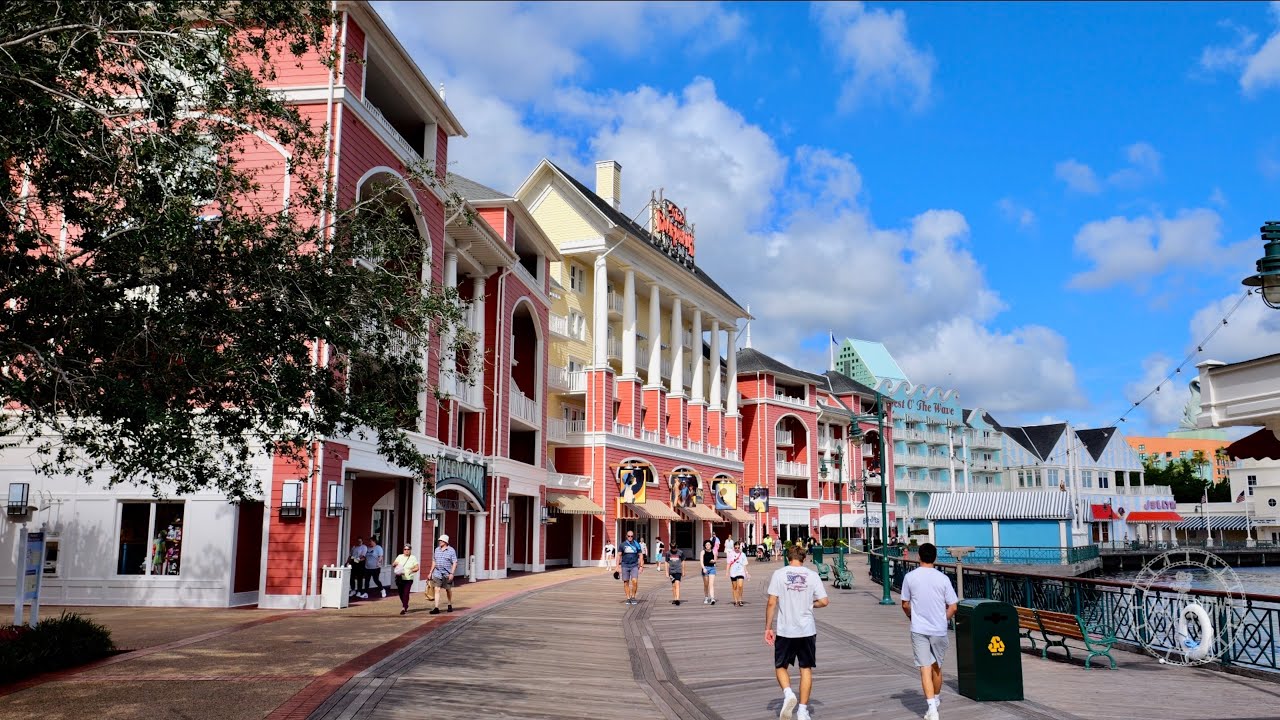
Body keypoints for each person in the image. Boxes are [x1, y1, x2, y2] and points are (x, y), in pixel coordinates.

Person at [765, 543, 828, 720]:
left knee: (780, 666)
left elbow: (771, 603)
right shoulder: (813, 575)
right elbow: (824, 601)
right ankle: (802, 710)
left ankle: (788, 694)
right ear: (804, 559)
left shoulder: (779, 574)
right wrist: (811, 604)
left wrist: (768, 628)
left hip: (786, 630)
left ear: (787, 557)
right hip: (807, 629)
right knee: (805, 668)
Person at [901, 542, 959, 720]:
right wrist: (944, 619)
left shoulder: (910, 577)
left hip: (919, 629)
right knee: (937, 667)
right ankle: (936, 699)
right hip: (939, 629)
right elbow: (953, 606)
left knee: (924, 667)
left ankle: (932, 709)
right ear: (935, 558)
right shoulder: (943, 579)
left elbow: (905, 604)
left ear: (919, 556)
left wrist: (912, 617)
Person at [427, 534, 458, 614]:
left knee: (448, 589)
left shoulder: (451, 550)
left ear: (445, 542)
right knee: (437, 589)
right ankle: (436, 607)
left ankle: (449, 604)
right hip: (437, 573)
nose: (440, 542)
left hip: (447, 573)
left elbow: (455, 562)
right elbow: (434, 561)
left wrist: (452, 573)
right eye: (439, 541)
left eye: (441, 541)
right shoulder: (437, 550)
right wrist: (430, 572)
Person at [391, 544, 419, 615]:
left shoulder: (413, 558)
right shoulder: (400, 556)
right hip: (400, 578)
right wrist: (395, 564)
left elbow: (417, 568)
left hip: (408, 578)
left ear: (410, 550)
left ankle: (404, 607)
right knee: (401, 593)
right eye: (405, 549)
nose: (406, 551)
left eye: (408, 549)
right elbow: (394, 563)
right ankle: (405, 604)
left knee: (406, 593)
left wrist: (411, 570)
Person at [618, 530, 644, 605]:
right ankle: (628, 598)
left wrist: (641, 566)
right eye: (629, 536)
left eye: (631, 536)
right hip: (625, 565)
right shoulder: (622, 545)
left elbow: (641, 555)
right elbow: (619, 555)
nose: (630, 537)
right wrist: (617, 566)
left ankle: (633, 597)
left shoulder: (637, 545)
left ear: (633, 536)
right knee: (626, 582)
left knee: (634, 581)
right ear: (626, 536)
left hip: (634, 565)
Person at [727, 539, 749, 607]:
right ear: (734, 547)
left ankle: (740, 600)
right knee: (734, 587)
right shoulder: (730, 554)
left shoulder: (743, 554)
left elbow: (744, 564)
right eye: (735, 547)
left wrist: (746, 572)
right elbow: (728, 564)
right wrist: (727, 572)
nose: (737, 549)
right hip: (733, 572)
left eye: (738, 547)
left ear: (740, 547)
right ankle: (736, 601)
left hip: (741, 572)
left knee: (740, 586)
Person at [701, 539, 717, 605]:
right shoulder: (703, 552)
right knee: (706, 585)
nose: (707, 546)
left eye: (709, 544)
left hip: (712, 568)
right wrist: (703, 568)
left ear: (711, 545)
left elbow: (715, 560)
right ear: (705, 546)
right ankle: (706, 597)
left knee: (711, 584)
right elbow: (701, 561)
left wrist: (713, 561)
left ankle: (712, 598)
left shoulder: (713, 552)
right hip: (705, 568)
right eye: (706, 545)